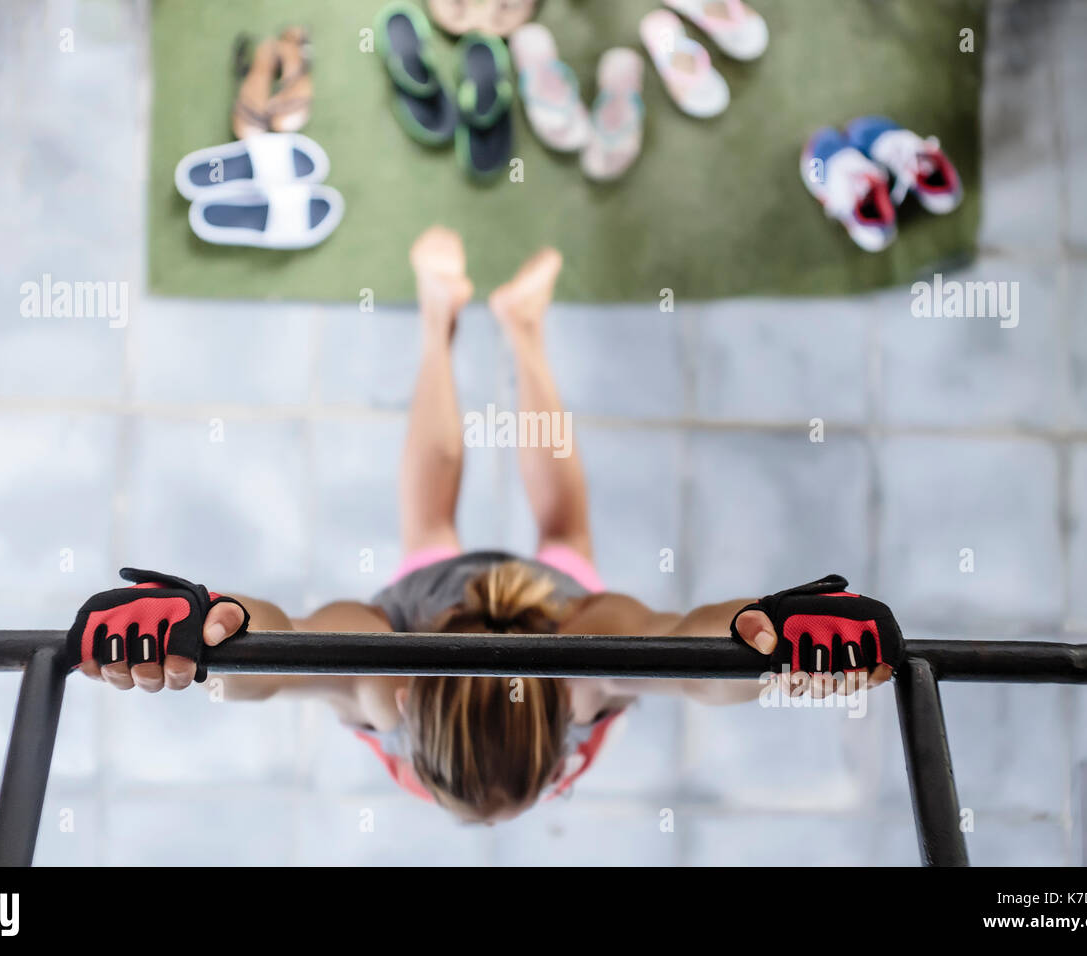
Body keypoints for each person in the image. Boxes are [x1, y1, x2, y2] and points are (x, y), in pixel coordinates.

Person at [71, 226, 893, 824]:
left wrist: (209, 639)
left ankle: (454, 324)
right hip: (552, 626)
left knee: (539, 532)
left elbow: (271, 658)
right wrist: (775, 642)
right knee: (504, 532)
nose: (496, 822)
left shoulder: (387, 684)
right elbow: (702, 659)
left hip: (424, 627)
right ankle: (498, 325)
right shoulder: (576, 675)